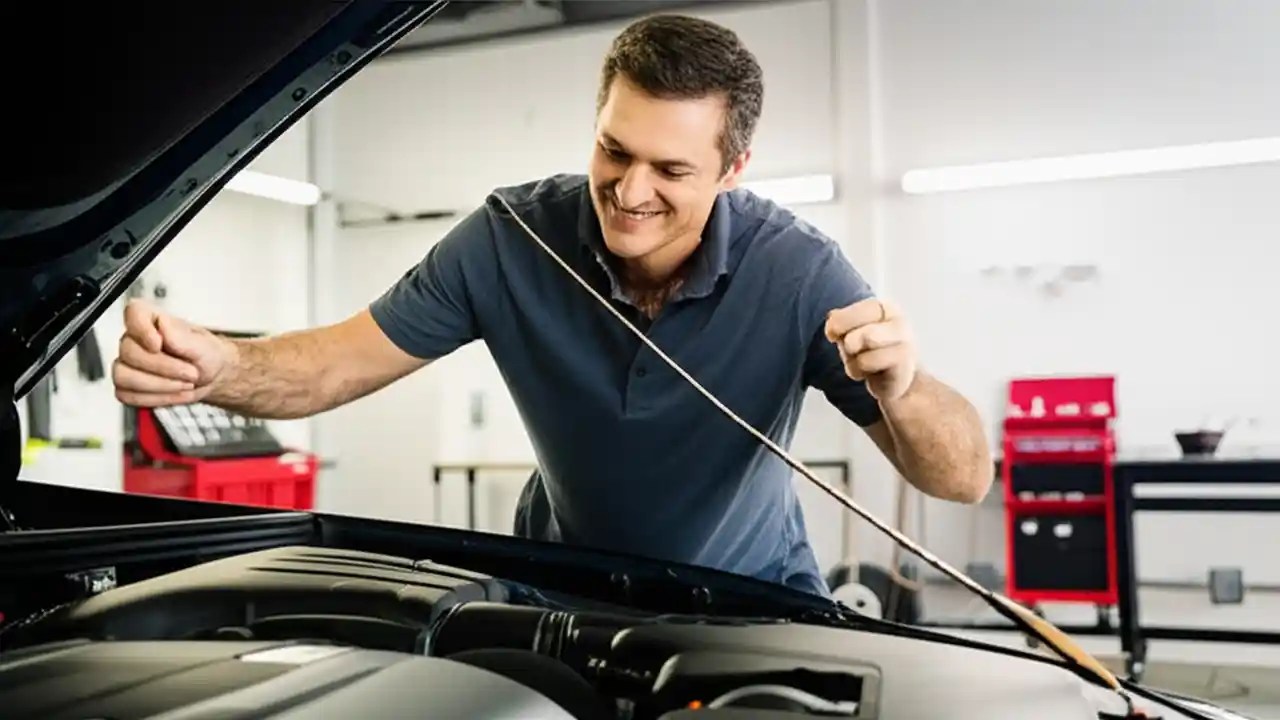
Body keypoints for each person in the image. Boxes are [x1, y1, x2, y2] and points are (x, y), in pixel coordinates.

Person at [112, 14, 992, 597]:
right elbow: (336, 365)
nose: (631, 191)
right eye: (615, 149)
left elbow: (962, 477)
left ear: (733, 170)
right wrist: (220, 366)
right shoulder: (511, 239)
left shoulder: (799, 272)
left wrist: (904, 390)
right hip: (558, 594)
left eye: (673, 170)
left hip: (752, 601)